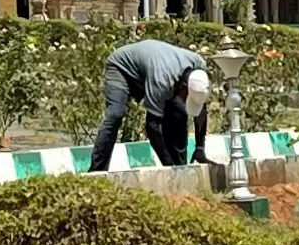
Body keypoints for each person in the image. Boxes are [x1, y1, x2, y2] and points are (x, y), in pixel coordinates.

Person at [87, 36, 212, 170]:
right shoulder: (161, 81)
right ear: (182, 87)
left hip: (153, 69)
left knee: (178, 113)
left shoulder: (199, 70)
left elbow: (200, 108)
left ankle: (180, 166)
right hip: (122, 68)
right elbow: (152, 127)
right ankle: (97, 170)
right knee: (115, 114)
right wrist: (168, 167)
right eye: (186, 97)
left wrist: (200, 148)